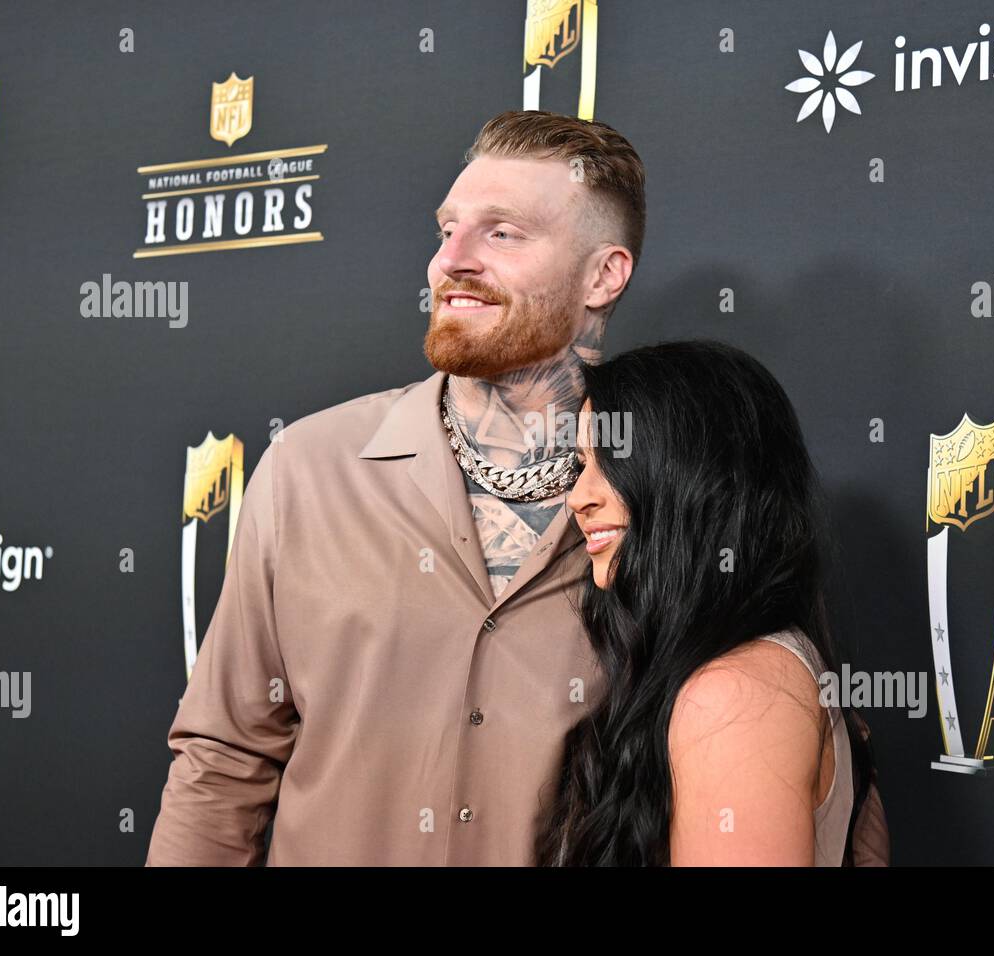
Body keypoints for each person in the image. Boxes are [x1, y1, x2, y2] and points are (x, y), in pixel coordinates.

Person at [146, 109, 641, 865]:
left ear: (603, 274)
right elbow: (224, 763)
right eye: (447, 231)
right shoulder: (309, 469)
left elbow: (807, 748)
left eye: (502, 234)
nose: (452, 261)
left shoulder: (675, 485)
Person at [536, 340, 889, 866]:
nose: (577, 496)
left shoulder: (736, 696)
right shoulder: (761, 676)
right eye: (582, 464)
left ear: (691, 474)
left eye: (609, 461)